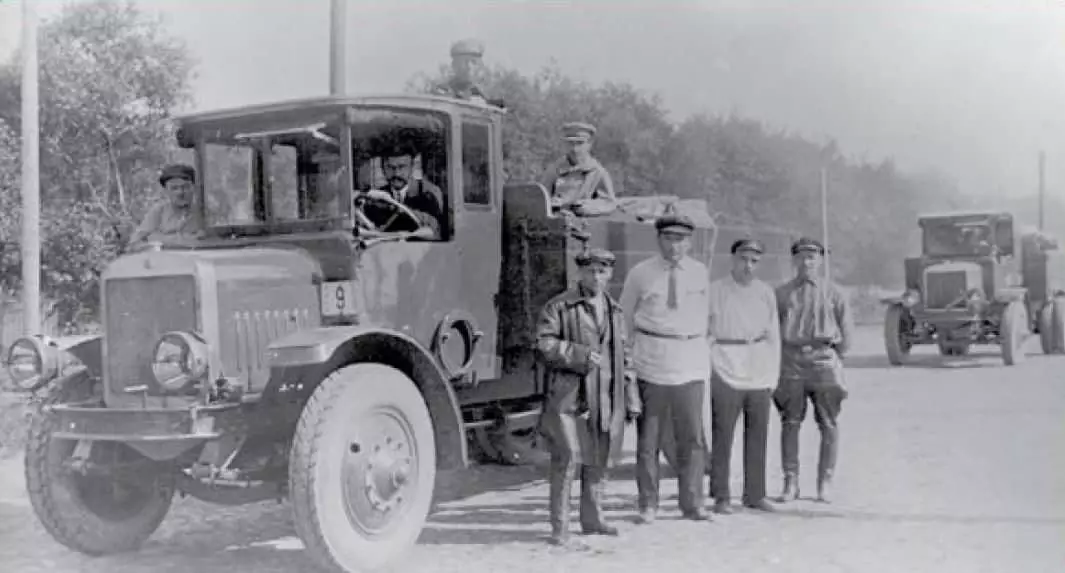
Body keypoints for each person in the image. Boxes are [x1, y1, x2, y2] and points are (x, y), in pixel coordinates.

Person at [535, 247, 641, 547]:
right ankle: (560, 527)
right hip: (568, 397)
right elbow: (543, 343)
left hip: (606, 395)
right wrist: (577, 354)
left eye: (602, 271)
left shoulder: (615, 311)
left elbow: (626, 357)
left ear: (610, 275)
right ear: (580, 272)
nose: (596, 277)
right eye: (590, 270)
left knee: (601, 456)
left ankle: (593, 519)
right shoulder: (559, 307)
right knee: (567, 457)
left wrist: (631, 397)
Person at [620, 212, 712, 523]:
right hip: (652, 362)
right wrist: (628, 363)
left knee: (693, 438)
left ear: (690, 242)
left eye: (681, 239)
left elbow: (709, 316)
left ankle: (693, 502)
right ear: (658, 239)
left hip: (689, 362)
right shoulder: (640, 273)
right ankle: (648, 504)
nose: (675, 246)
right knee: (649, 439)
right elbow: (624, 319)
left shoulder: (700, 273)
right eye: (669, 238)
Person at [773, 237, 855, 503]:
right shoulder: (782, 294)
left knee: (829, 424)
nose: (807, 262)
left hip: (823, 360)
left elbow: (847, 335)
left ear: (820, 261)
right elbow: (773, 331)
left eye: (812, 257)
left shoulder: (835, 293)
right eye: (802, 257)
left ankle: (825, 482)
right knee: (790, 422)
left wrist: (831, 357)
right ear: (794, 260)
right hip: (791, 361)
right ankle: (790, 482)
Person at [707, 239, 781, 514]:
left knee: (758, 433)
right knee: (723, 434)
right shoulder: (715, 290)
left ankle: (755, 493)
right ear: (732, 258)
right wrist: (711, 365)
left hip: (758, 367)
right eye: (743, 259)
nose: (748, 266)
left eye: (754, 261)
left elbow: (774, 334)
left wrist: (773, 374)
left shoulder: (765, 293)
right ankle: (722, 495)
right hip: (726, 363)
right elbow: (705, 331)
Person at [357, 151, 445, 237]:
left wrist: (398, 209)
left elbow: (435, 231)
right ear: (382, 169)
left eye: (402, 167)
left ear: (412, 167)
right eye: (390, 167)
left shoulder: (427, 194)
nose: (396, 173)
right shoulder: (375, 198)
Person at [541, 122, 618, 217]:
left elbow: (609, 203)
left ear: (589, 144)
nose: (574, 149)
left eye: (580, 143)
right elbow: (541, 201)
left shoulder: (597, 172)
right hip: (558, 222)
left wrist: (585, 207)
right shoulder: (554, 170)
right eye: (570, 143)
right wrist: (554, 207)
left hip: (585, 225)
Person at [129, 163, 202, 246]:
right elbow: (135, 241)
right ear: (166, 191)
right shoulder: (159, 212)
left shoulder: (204, 213)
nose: (180, 192)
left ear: (194, 188)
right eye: (174, 188)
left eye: (185, 187)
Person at [431, 39, 490, 103]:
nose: (469, 67)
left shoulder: (478, 95)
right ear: (454, 65)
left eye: (474, 62)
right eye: (465, 62)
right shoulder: (442, 90)